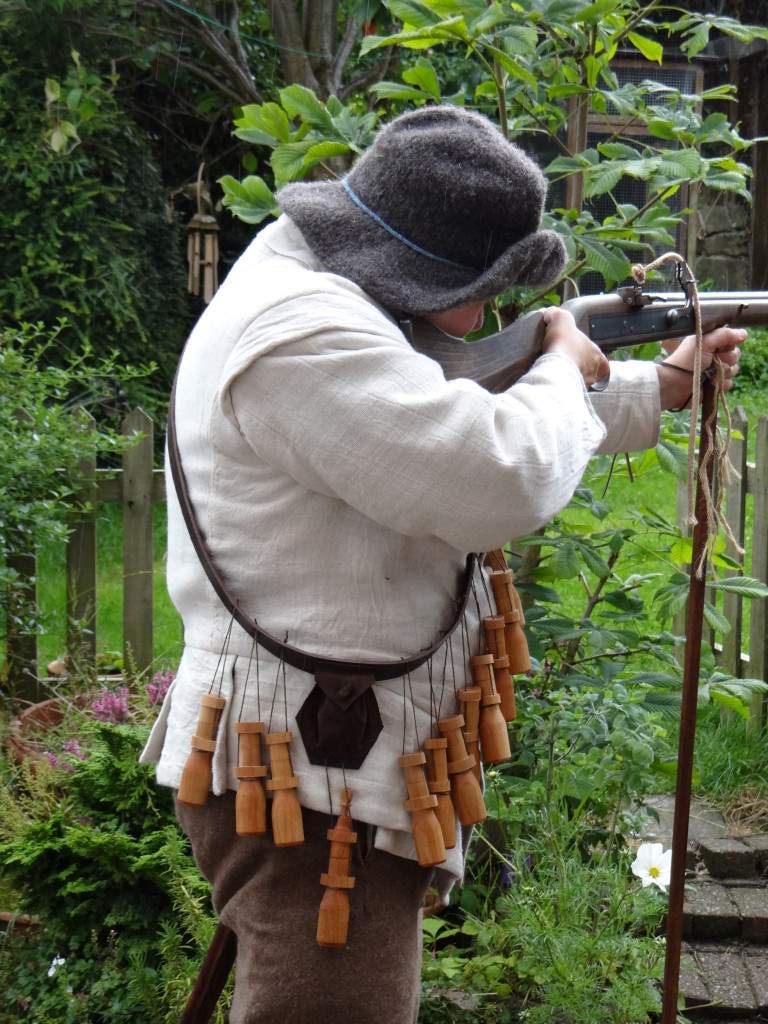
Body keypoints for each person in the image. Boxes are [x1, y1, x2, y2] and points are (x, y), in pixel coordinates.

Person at [141, 105, 743, 1024]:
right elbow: (492, 469)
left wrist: (654, 385)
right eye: (485, 289)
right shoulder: (305, 332)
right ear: (417, 275)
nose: (492, 314)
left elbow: (445, 385)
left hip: (319, 763)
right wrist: (566, 371)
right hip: (310, 780)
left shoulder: (334, 292)